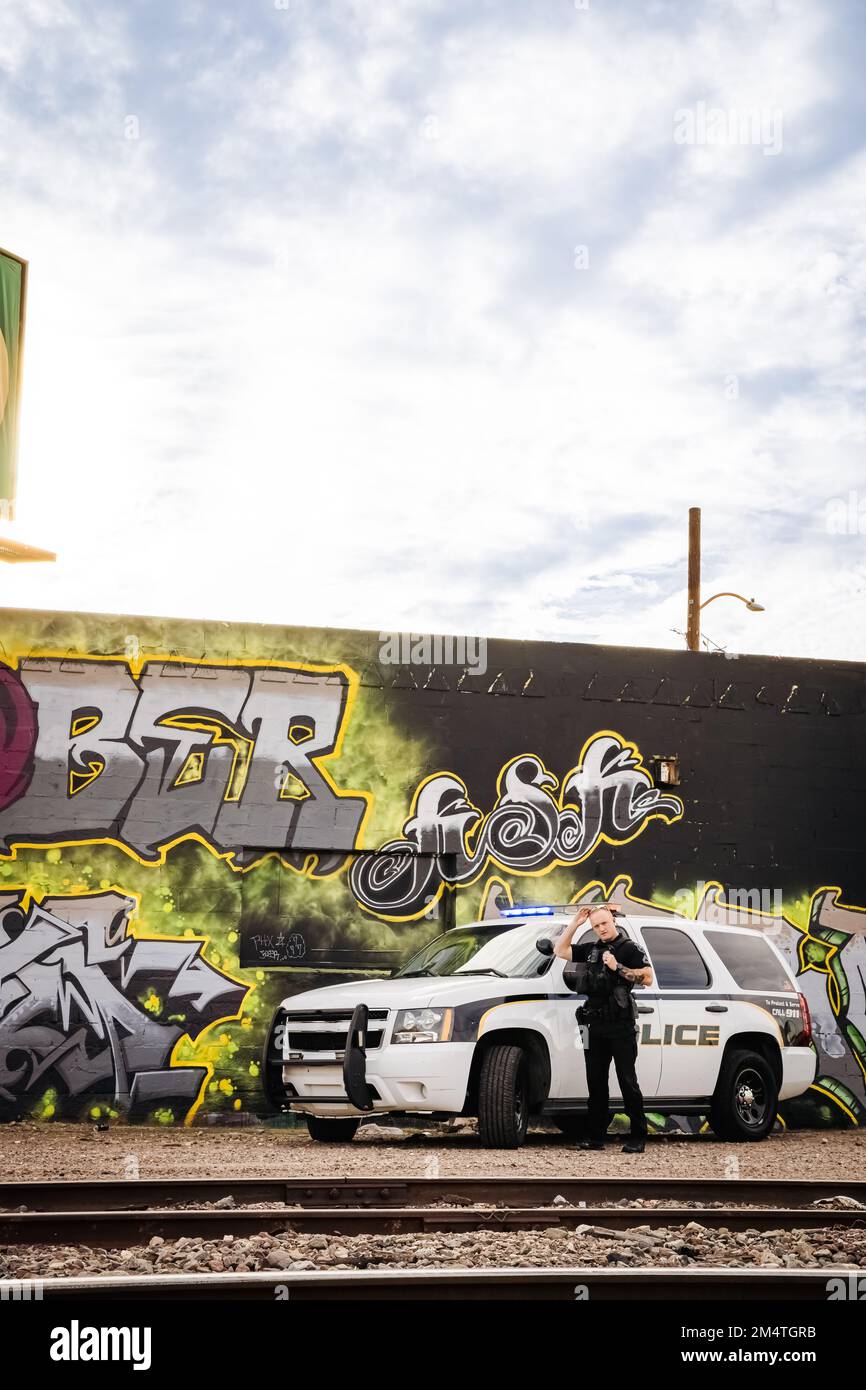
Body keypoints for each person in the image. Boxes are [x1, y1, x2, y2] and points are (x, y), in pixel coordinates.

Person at [554, 902, 653, 1153]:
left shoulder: (629, 948)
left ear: (613, 921)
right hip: (593, 1025)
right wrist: (575, 923)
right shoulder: (591, 950)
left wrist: (617, 967)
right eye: (596, 925)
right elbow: (560, 950)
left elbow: (648, 978)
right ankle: (596, 1137)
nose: (601, 929)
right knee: (595, 1083)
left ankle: (638, 1137)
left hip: (620, 1025)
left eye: (604, 923)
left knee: (627, 1081)